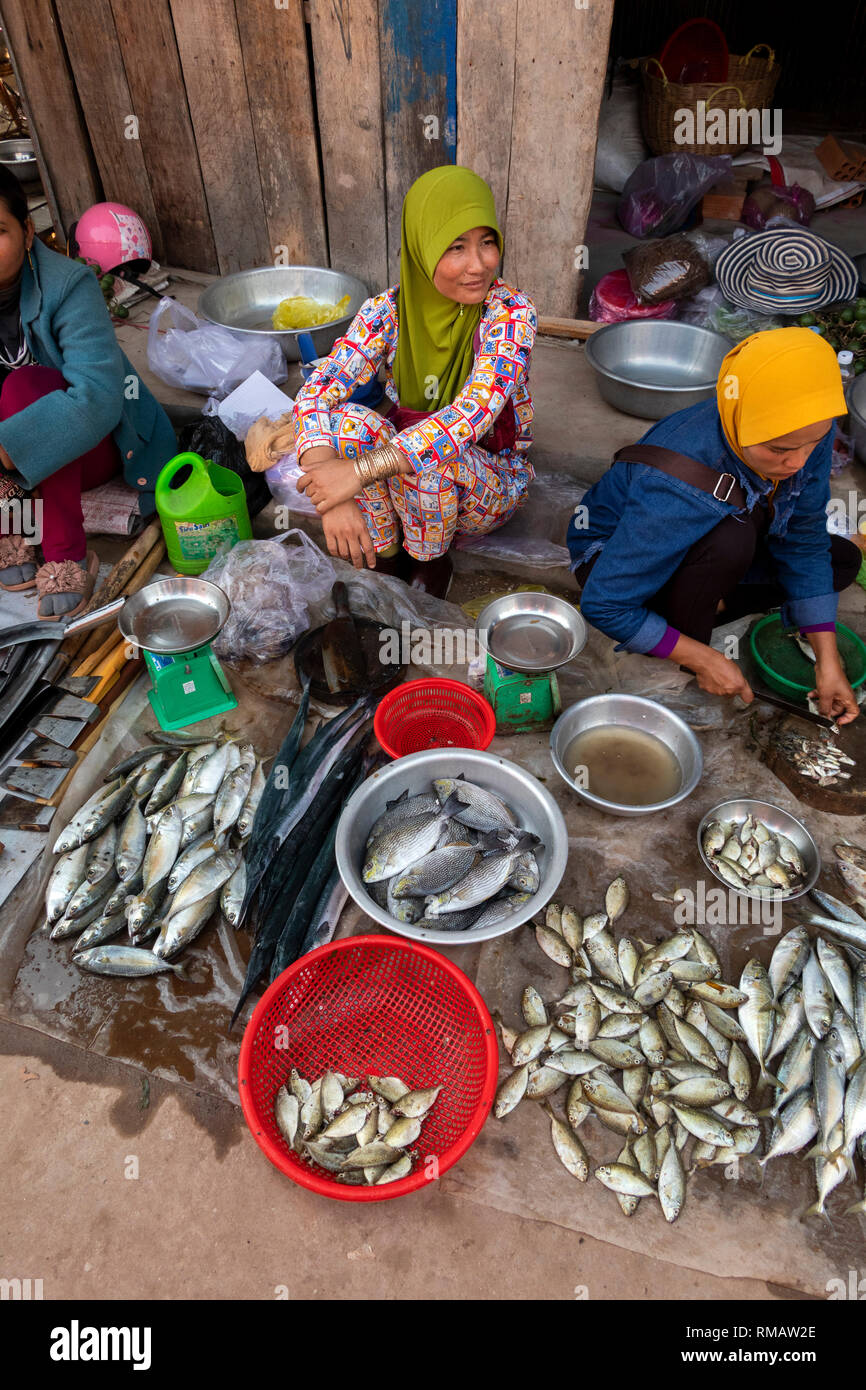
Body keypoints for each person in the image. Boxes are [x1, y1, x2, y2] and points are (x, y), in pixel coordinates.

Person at [567, 328, 862, 725]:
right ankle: (685, 625)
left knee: (841, 559)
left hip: (716, 524)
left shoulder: (805, 430)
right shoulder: (676, 483)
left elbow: (803, 536)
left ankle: (701, 601)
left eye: (813, 445)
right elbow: (603, 603)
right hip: (617, 558)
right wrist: (702, 658)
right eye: (779, 450)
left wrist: (829, 661)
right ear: (743, 421)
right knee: (732, 540)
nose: (798, 463)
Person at [292, 165, 536, 597]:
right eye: (456, 247)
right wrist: (330, 490)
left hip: (486, 481)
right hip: (406, 473)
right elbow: (317, 388)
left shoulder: (510, 315)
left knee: (431, 457)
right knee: (348, 423)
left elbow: (467, 419)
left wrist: (358, 473)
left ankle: (430, 560)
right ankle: (386, 552)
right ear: (421, 246)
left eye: (487, 243)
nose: (478, 265)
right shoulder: (388, 310)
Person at [0, 168, 176, 617]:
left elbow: (97, 401)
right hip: (12, 458)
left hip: (102, 444)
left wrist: (8, 444)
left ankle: (65, 551)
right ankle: (12, 530)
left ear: (26, 232)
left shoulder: (69, 287)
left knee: (27, 389)